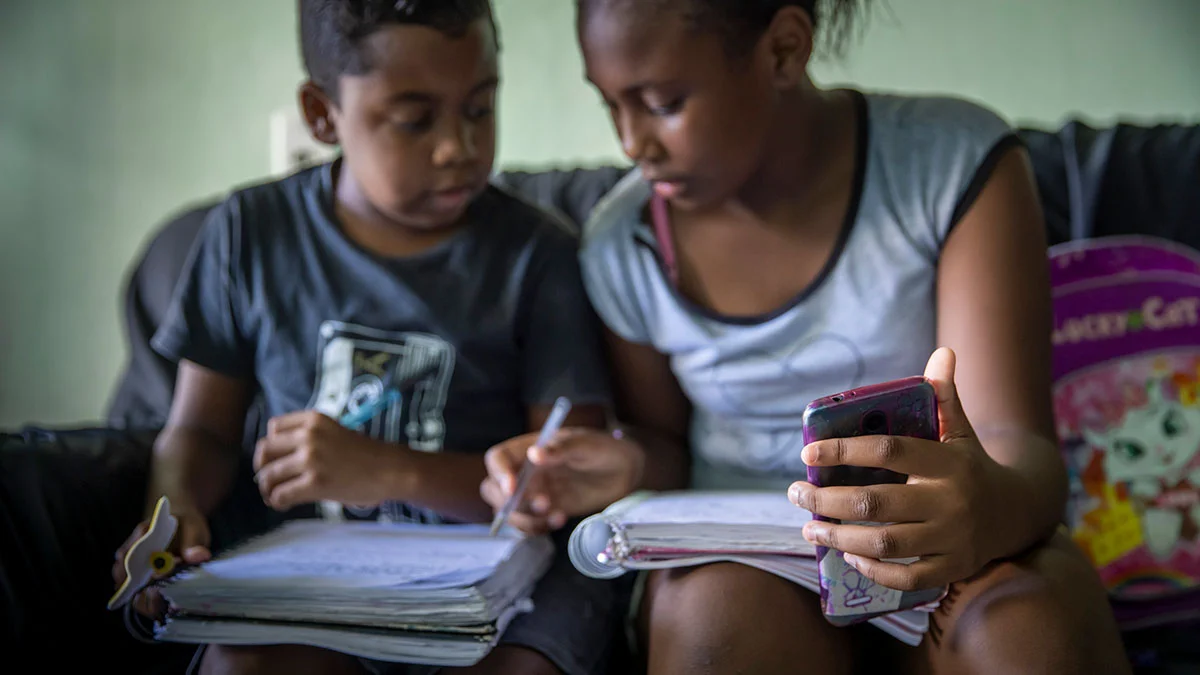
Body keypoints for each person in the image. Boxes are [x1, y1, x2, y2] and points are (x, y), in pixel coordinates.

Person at [481, 1, 1133, 673]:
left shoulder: (952, 164)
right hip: (743, 565)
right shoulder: (625, 243)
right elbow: (665, 445)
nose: (631, 143)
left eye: (663, 104)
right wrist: (626, 465)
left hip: (951, 542)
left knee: (1020, 627)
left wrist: (984, 507)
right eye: (610, 105)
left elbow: (1014, 442)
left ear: (785, 49)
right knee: (718, 619)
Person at [112, 1, 623, 674]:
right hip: (310, 581)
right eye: (415, 120)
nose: (459, 147)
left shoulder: (539, 255)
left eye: (479, 108)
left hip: (500, 582)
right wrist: (174, 508)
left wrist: (386, 469)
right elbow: (200, 432)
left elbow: (562, 482)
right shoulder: (249, 234)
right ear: (323, 114)